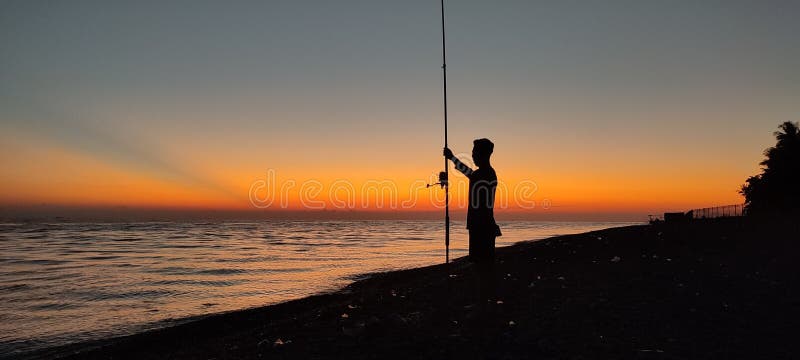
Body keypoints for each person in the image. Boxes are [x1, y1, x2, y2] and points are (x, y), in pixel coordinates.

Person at [444, 138, 500, 264]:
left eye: (475, 153)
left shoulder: (486, 174)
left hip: (481, 226)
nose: (473, 156)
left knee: (481, 265)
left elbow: (470, 174)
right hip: (481, 225)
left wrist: (452, 158)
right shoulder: (485, 173)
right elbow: (470, 173)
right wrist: (452, 158)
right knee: (482, 264)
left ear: (483, 154)